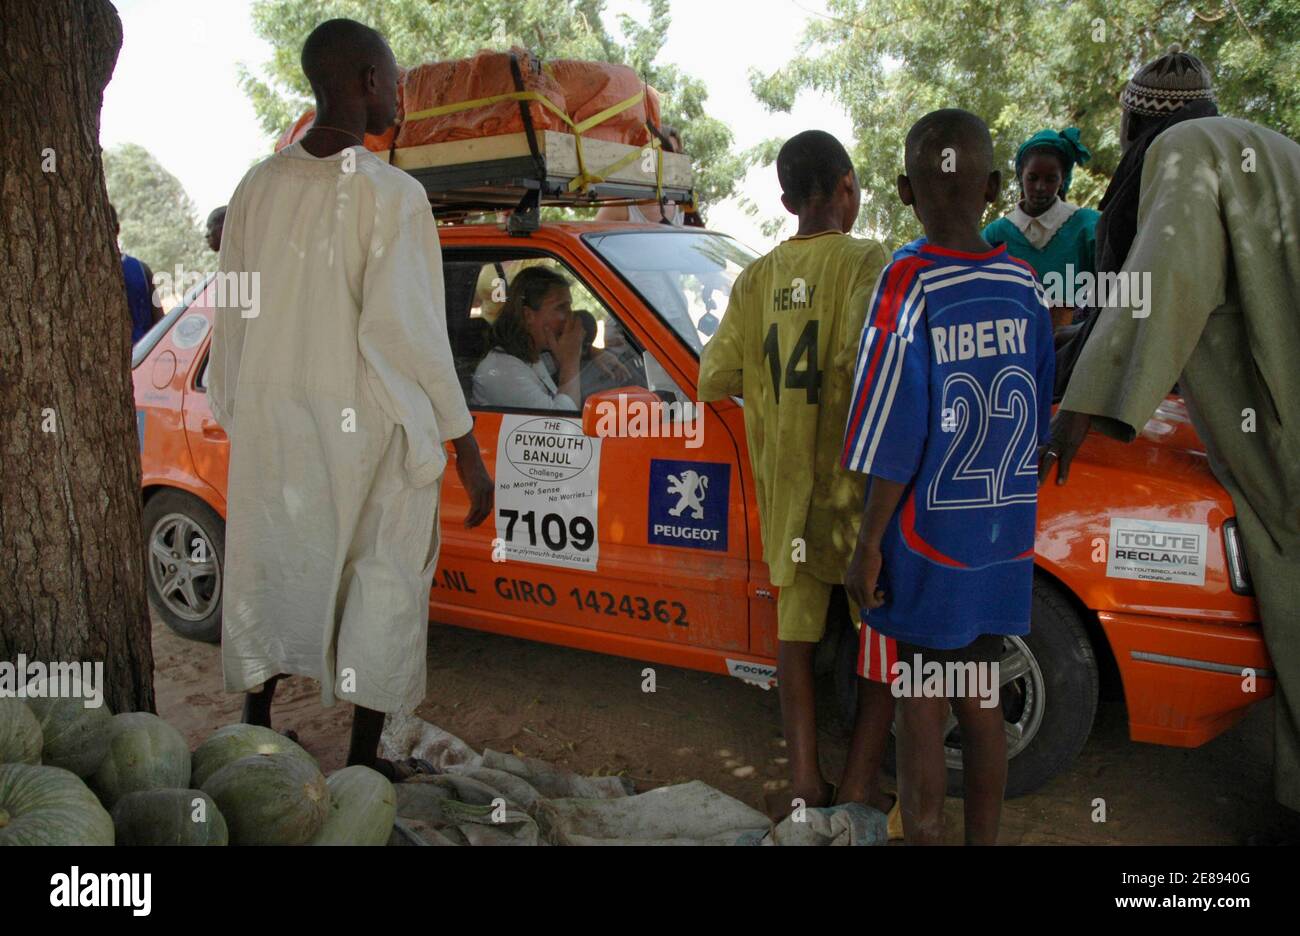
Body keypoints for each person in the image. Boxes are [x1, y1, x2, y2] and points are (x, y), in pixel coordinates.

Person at [208, 18, 494, 781]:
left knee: (271, 561)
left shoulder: (255, 188)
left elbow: (229, 315)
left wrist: (245, 412)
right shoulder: (393, 196)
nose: (400, 95)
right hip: (369, 428)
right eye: (395, 80)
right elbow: (412, 338)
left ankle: (257, 731)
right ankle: (364, 764)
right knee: (385, 579)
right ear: (367, 80)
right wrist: (466, 452)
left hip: (275, 423)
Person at [1042, 48, 1300, 831]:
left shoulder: (1181, 156)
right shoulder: (1268, 144)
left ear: (1134, 123)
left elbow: (1150, 298)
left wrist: (1072, 416)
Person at [842, 109, 1054, 844]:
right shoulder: (1025, 286)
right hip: (999, 543)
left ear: (904, 190)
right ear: (996, 187)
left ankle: (927, 834)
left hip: (927, 544)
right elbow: (1038, 416)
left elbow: (895, 432)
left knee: (921, 704)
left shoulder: (909, 280)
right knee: (981, 697)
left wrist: (869, 541)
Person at [699, 130, 896, 820]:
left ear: (785, 200)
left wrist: (770, 386)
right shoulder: (868, 258)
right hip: (853, 494)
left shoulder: (754, 278)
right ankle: (863, 785)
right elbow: (861, 358)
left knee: (795, 642)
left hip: (787, 497)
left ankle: (805, 783)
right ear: (848, 187)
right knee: (877, 638)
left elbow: (711, 374)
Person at [1051, 46, 1219, 398]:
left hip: (1165, 389)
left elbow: (1126, 334)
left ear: (1134, 122)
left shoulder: (1146, 185)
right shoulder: (1224, 169)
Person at [982, 128, 1099, 327]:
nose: (1040, 187)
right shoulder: (995, 234)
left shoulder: (1088, 226)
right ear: (1021, 176)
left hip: (1073, 348)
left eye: (1051, 179)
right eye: (1033, 177)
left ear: (1063, 179)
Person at [471, 266, 586, 410]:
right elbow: (562, 425)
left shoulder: (534, 354)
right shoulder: (502, 371)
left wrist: (593, 351)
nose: (570, 317)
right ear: (528, 316)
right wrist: (571, 361)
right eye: (561, 308)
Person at [594, 125, 688, 226]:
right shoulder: (619, 208)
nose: (670, 160)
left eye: (675, 154)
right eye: (664, 153)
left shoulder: (679, 208)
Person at [110, 204, 163, 342]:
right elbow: (160, 322)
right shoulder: (141, 268)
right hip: (144, 354)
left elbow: (160, 321)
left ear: (117, 229)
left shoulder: (141, 270)